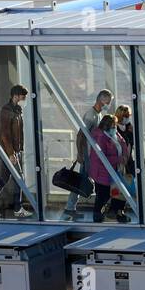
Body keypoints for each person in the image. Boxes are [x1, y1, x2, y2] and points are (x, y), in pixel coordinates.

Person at [63, 89, 112, 220]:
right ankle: (70, 207)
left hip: (92, 155)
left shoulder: (98, 115)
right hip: (88, 155)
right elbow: (81, 135)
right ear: (102, 100)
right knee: (83, 179)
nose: (109, 104)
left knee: (82, 179)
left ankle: (70, 207)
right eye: (108, 101)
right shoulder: (91, 116)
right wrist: (80, 153)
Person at [0, 84, 33, 218]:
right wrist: (11, 154)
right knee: (19, 179)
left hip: (16, 151)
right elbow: (4, 135)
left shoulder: (17, 110)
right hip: (10, 152)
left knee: (4, 178)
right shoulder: (6, 112)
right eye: (23, 97)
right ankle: (18, 208)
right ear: (15, 96)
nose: (24, 100)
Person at [88, 114, 128, 224]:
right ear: (107, 126)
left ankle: (115, 213)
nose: (115, 128)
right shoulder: (100, 136)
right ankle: (98, 216)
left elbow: (122, 142)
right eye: (114, 126)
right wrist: (119, 159)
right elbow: (102, 157)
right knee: (103, 195)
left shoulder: (113, 134)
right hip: (102, 172)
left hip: (114, 171)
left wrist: (124, 155)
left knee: (117, 193)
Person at [105, 104, 138, 222]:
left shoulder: (129, 128)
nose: (127, 118)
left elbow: (132, 143)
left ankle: (120, 210)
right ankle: (114, 210)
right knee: (117, 188)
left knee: (127, 187)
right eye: (125, 115)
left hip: (128, 163)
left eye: (128, 115)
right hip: (118, 163)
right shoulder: (115, 129)